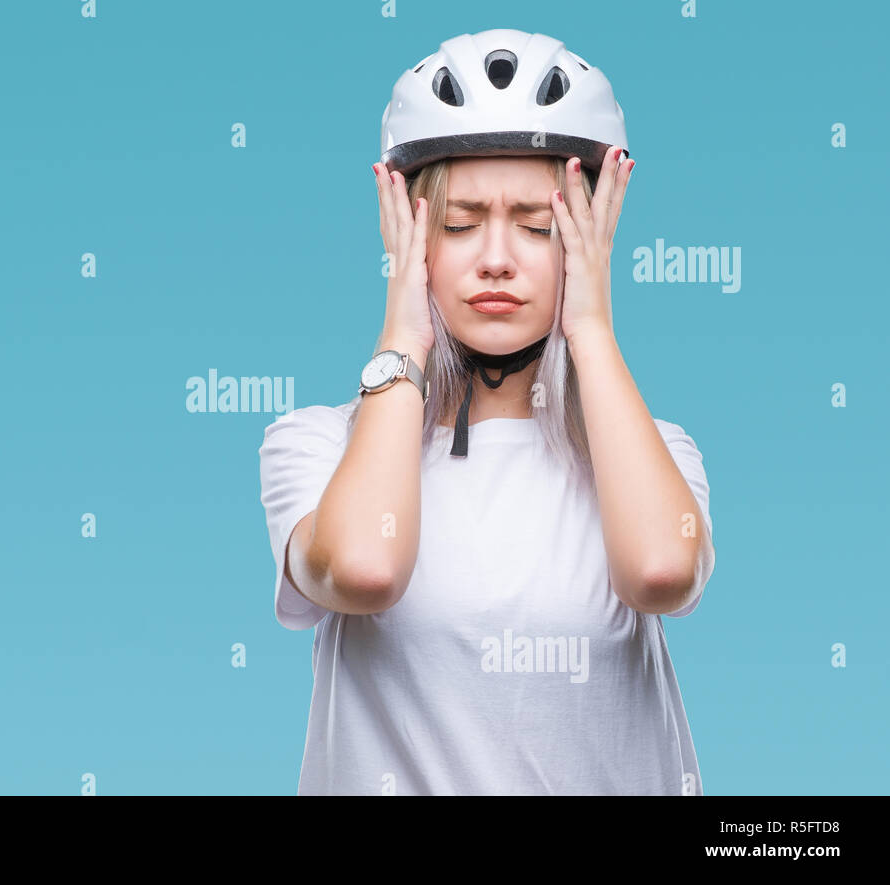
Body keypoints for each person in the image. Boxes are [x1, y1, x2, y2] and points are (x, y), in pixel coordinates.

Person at [257, 29, 716, 795]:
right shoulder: (316, 446)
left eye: (539, 227)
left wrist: (593, 329)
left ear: (590, 239)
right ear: (408, 230)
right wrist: (403, 329)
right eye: (462, 223)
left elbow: (662, 571)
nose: (496, 257)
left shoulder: (653, 452)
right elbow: (366, 567)